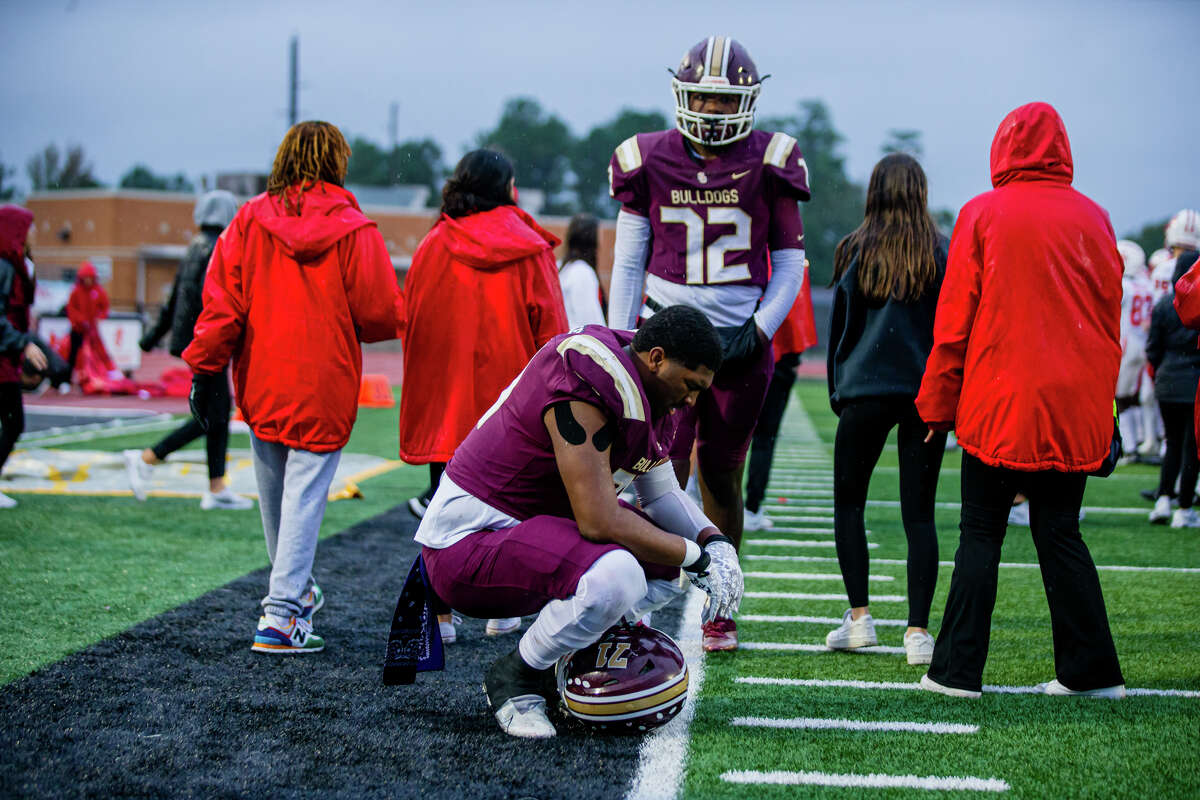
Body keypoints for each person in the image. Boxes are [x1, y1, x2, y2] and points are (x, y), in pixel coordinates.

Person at [412, 305, 743, 738]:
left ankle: (574, 651)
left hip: (530, 527)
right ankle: (518, 675)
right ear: (658, 357)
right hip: (468, 543)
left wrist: (716, 544)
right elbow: (598, 520)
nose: (691, 401)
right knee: (618, 575)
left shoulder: (647, 382)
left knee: (662, 569)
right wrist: (697, 557)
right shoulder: (589, 377)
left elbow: (661, 494)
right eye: (691, 386)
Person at [606, 35, 810, 651]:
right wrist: (622, 339)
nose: (713, 111)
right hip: (666, 336)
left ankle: (721, 605)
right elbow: (629, 260)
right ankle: (638, 597)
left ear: (745, 102)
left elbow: (792, 263)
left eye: (724, 101)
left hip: (739, 341)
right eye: (703, 99)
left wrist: (762, 329)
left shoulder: (772, 158)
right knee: (654, 472)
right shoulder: (647, 158)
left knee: (723, 476)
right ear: (682, 95)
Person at [915, 102, 1125, 699]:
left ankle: (956, 674)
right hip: (1074, 400)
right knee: (1060, 531)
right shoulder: (1097, 218)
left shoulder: (982, 214)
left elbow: (954, 322)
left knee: (981, 530)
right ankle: (1092, 674)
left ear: (1003, 148)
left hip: (998, 400)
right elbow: (1109, 323)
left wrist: (936, 405)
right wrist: (1100, 404)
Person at [183, 121, 403, 654]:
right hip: (324, 376)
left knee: (275, 497)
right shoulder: (355, 229)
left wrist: (205, 367)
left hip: (261, 374)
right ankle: (282, 612)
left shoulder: (246, 221)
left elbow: (222, 305)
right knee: (302, 497)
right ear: (337, 162)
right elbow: (377, 315)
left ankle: (294, 594)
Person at [396, 149, 568, 641]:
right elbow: (553, 333)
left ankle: (441, 615)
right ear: (506, 188)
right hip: (511, 405)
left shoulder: (433, 243)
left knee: (442, 511)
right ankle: (505, 608)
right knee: (514, 507)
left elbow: (416, 323)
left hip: (447, 396)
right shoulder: (530, 248)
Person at [825, 154, 948, 666]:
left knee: (849, 505)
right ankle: (918, 633)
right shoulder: (943, 251)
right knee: (919, 514)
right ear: (920, 191)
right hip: (924, 395)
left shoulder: (853, 248)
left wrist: (840, 392)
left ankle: (859, 619)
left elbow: (840, 330)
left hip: (864, 394)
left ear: (873, 191)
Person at [124, 190, 251, 510]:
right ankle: (148, 458)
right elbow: (217, 301)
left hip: (195, 341)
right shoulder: (218, 247)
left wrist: (151, 338)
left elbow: (173, 301)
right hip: (206, 341)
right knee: (212, 415)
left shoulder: (193, 247)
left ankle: (215, 485)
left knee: (216, 414)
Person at [743, 264, 818, 532]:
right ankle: (751, 506)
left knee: (726, 431)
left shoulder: (756, 253)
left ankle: (720, 502)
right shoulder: (792, 260)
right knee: (764, 436)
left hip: (744, 350)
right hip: (776, 356)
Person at [1145, 210, 1200, 527]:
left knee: (1171, 442)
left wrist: (1159, 369)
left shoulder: (1164, 304)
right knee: (1191, 448)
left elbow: (1154, 346)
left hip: (1166, 378)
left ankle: (1163, 500)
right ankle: (1184, 507)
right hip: (1193, 382)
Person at [0, 205, 46, 509]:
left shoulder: (17, 264)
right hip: (3, 357)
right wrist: (22, 345)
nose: (34, 233)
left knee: (12, 422)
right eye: (28, 227)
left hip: (7, 357)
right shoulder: (4, 266)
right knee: (14, 422)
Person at [1113, 240, 1155, 464]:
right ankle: (1138, 440)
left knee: (1121, 397)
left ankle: (1130, 448)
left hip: (1127, 344)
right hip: (1144, 343)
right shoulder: (1146, 284)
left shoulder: (1125, 286)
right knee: (1136, 397)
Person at [62, 261, 110, 391]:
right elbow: (71, 308)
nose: (88, 280)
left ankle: (92, 379)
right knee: (73, 356)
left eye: (90, 278)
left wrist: (99, 318)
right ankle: (66, 380)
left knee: (95, 356)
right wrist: (79, 320)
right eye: (86, 278)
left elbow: (105, 307)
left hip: (92, 331)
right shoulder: (76, 291)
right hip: (78, 330)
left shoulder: (98, 291)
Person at [557, 213, 606, 328]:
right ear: (592, 238)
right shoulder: (582, 272)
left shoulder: (560, 267)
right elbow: (591, 325)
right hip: (576, 342)